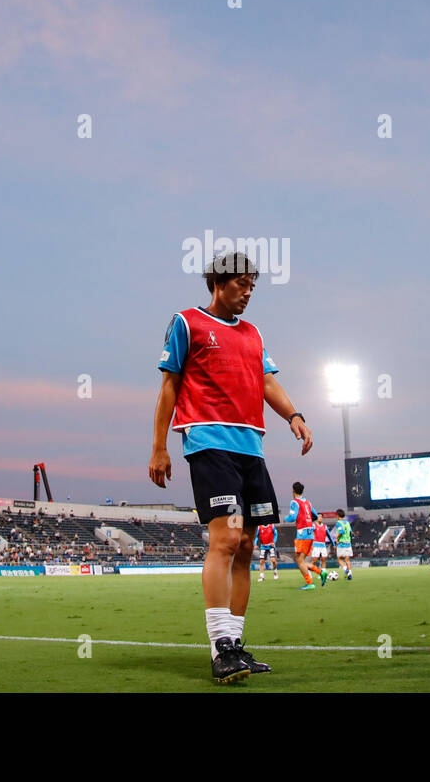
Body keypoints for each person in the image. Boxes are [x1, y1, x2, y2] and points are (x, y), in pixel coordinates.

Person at [150, 251, 314, 684]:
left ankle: (236, 646)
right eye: (241, 284)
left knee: (247, 546)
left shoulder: (254, 334)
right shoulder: (187, 323)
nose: (247, 292)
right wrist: (159, 446)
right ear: (218, 283)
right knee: (226, 539)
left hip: (251, 448)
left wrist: (294, 415)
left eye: (252, 286)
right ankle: (220, 648)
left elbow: (265, 381)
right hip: (209, 443)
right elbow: (169, 384)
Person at [287, 484, 326, 588]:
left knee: (299, 561)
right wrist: (308, 521)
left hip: (302, 534)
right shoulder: (308, 502)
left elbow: (292, 517)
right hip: (310, 534)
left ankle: (310, 583)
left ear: (293, 490)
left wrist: (284, 519)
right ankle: (320, 572)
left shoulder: (294, 502)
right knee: (300, 560)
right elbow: (315, 516)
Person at [331, 509, 354, 580]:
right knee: (347, 560)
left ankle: (346, 570)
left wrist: (337, 539)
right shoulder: (347, 522)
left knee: (340, 559)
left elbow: (341, 532)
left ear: (337, 515)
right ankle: (350, 575)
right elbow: (350, 532)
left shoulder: (338, 523)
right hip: (348, 543)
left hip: (342, 543)